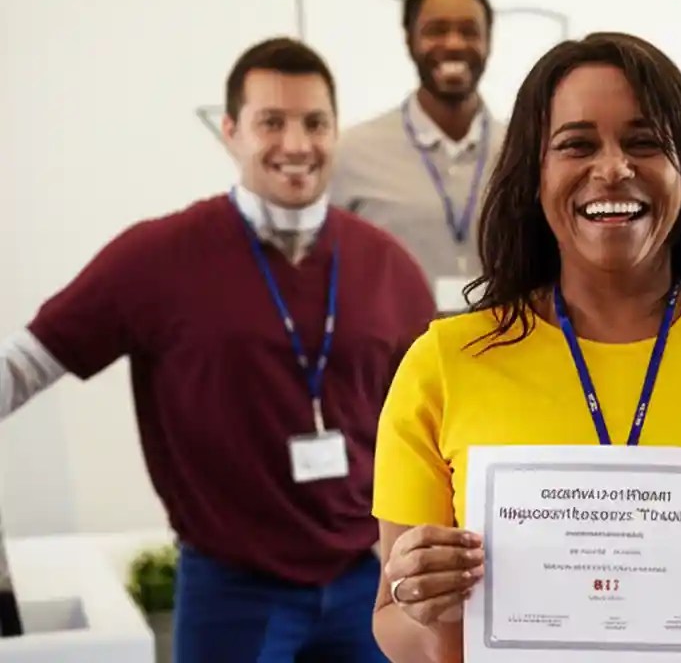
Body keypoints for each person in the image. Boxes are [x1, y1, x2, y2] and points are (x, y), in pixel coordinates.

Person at [369, 32, 681, 663]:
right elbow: (392, 622)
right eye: (575, 144)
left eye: (644, 142)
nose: (612, 168)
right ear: (534, 175)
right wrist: (434, 618)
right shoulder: (443, 363)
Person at [0, 38, 436, 661]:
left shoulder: (387, 264)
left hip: (366, 579)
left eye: (314, 123)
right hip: (233, 587)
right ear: (230, 130)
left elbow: (432, 422)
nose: (295, 144)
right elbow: (26, 362)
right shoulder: (158, 256)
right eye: (271, 122)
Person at [331, 0, 506, 314]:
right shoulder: (351, 153)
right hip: (397, 360)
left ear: (488, 42)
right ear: (409, 41)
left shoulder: (527, 151)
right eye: (436, 30)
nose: (454, 43)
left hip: (507, 354)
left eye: (469, 31)